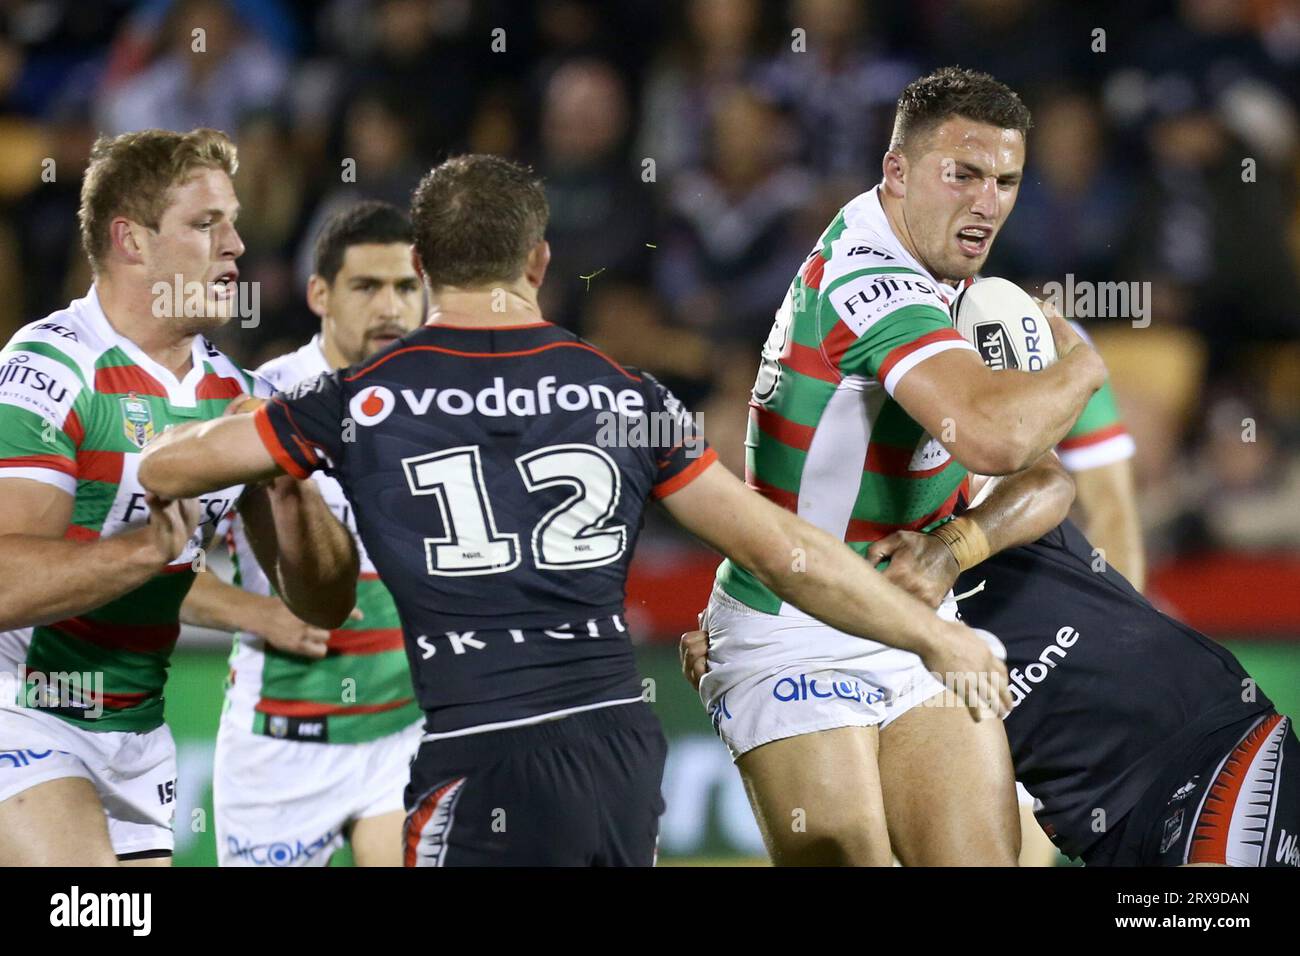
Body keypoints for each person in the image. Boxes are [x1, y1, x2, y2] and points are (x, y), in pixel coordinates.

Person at [138, 153, 1010, 867]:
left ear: (424, 269)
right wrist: (935, 634)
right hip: (617, 751)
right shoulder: (627, 394)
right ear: (539, 262)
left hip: (477, 752)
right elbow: (786, 552)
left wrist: (246, 431)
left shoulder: (357, 399)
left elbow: (164, 469)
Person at [697, 65, 1109, 866]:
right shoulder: (872, 278)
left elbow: (1048, 478)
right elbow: (995, 440)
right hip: (794, 624)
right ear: (898, 170)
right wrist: (1085, 369)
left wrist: (955, 547)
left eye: (1006, 181)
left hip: (918, 626)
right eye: (963, 174)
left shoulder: (962, 287)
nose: (986, 202)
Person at [0, 128, 355, 867]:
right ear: (132, 241)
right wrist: (144, 553)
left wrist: (291, 490)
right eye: (206, 224)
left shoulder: (242, 399)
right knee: (95, 908)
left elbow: (321, 603)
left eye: (232, 222)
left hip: (137, 733)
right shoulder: (48, 370)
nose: (235, 246)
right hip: (24, 712)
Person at [681, 496, 1299, 868]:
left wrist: (950, 549)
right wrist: (745, 656)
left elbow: (1047, 478)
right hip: (1101, 832)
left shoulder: (953, 485)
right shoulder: (829, 628)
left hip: (1210, 748)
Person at [180, 201, 425, 867]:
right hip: (282, 745)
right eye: (367, 287)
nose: (391, 309)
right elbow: (151, 563)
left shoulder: (441, 406)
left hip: (400, 738)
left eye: (407, 287)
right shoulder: (261, 402)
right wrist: (259, 611)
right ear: (319, 293)